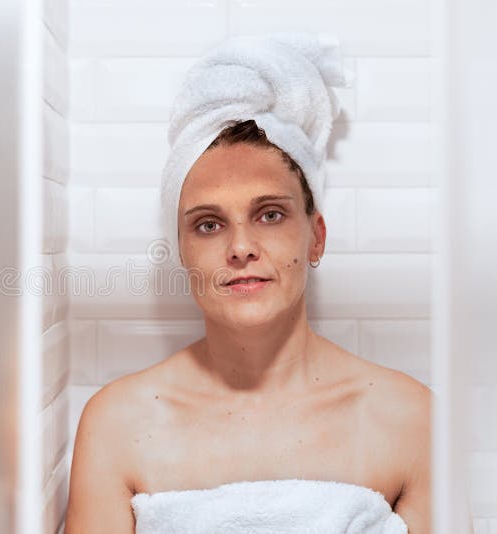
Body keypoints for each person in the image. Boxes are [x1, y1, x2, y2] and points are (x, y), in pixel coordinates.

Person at [64, 33, 441, 533]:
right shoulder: (119, 425)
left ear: (316, 237)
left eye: (269, 214)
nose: (240, 247)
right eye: (208, 224)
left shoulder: (409, 420)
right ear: (182, 251)